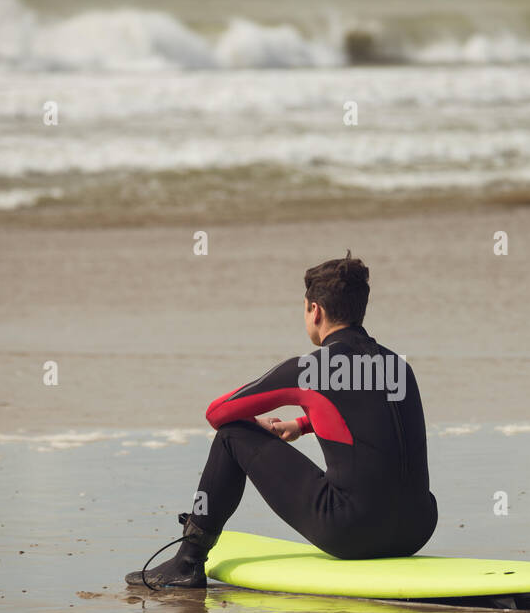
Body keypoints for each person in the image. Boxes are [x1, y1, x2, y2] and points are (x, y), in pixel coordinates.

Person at [128, 252, 438, 589]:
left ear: (314, 310)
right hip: (417, 528)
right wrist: (301, 424)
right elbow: (375, 420)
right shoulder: (398, 367)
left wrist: (257, 426)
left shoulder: (311, 369)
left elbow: (217, 413)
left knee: (232, 436)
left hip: (353, 532)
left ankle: (188, 561)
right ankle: (188, 561)